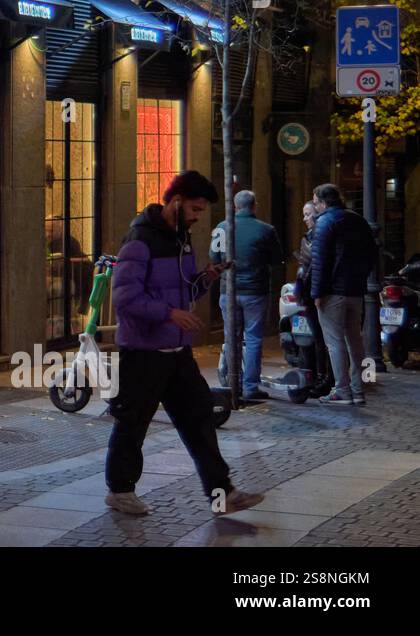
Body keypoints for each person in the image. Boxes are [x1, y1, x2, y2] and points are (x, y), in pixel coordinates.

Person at [105, 170, 265, 517]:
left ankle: (222, 493)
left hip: (177, 351)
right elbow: (125, 298)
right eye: (194, 209)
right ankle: (120, 491)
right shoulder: (139, 239)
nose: (196, 217)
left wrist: (206, 277)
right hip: (143, 352)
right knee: (132, 423)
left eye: (201, 211)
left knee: (199, 419)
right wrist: (169, 314)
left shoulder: (182, 239)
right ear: (175, 202)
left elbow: (183, 288)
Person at [211, 190, 283, 400]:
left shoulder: (221, 229)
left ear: (234, 206)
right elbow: (277, 259)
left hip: (228, 291)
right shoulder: (266, 230)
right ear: (254, 206)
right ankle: (251, 386)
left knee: (231, 338)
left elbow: (213, 259)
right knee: (253, 339)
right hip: (255, 291)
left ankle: (234, 382)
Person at [308, 183, 375, 407]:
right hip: (355, 291)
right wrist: (360, 280)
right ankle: (358, 390)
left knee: (335, 342)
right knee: (355, 341)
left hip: (333, 293)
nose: (315, 207)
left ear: (323, 202)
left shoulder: (324, 222)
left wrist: (317, 293)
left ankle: (342, 390)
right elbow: (371, 255)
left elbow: (320, 262)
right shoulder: (358, 220)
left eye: (315, 203)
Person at [292, 200, 334, 397]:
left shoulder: (321, 237)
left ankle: (328, 378)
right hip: (308, 293)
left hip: (319, 294)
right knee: (317, 337)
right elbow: (303, 266)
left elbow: (316, 267)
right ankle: (320, 376)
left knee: (326, 338)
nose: (305, 218)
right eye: (304, 214)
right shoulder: (307, 238)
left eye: (308, 214)